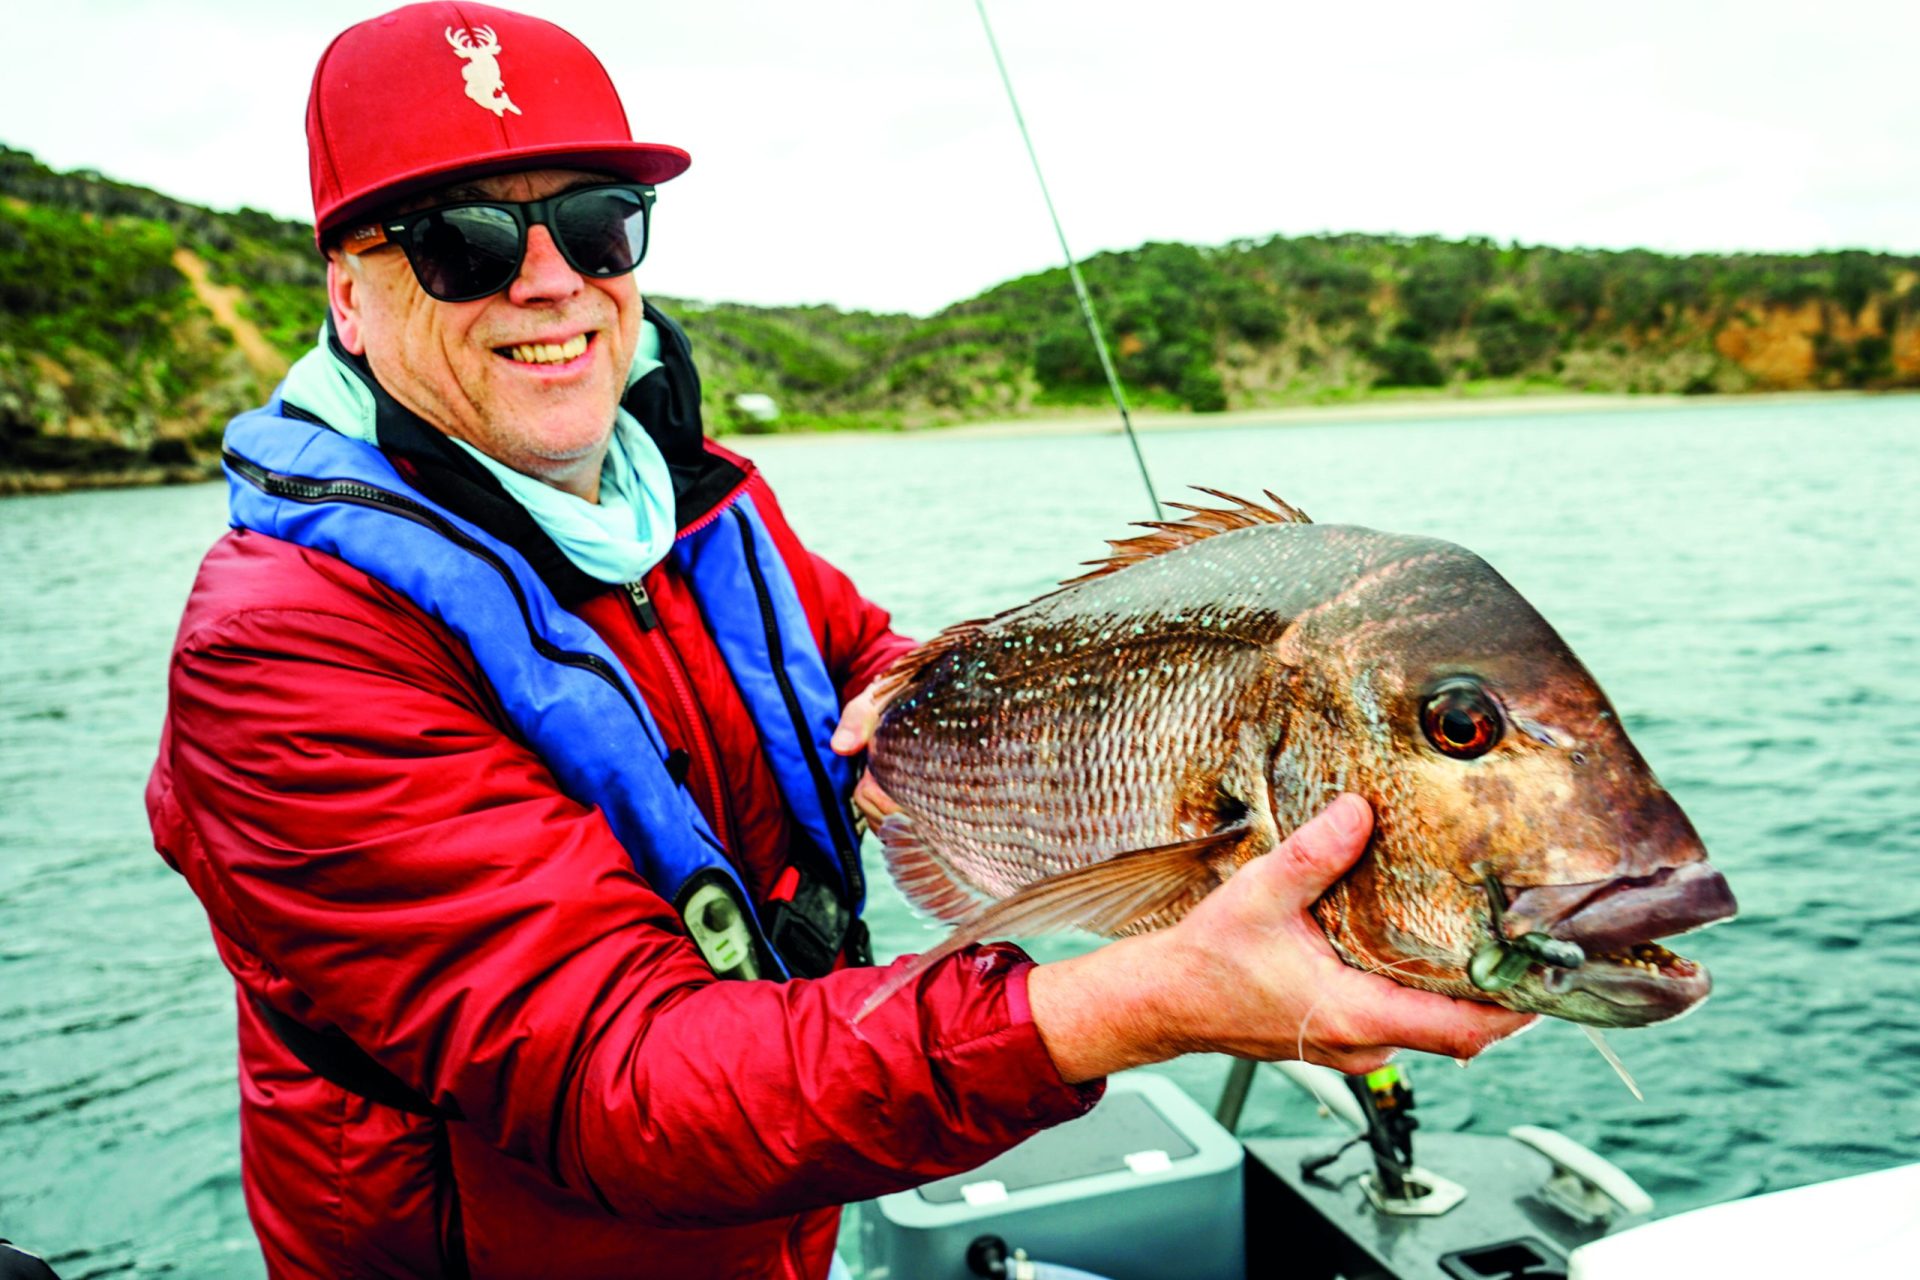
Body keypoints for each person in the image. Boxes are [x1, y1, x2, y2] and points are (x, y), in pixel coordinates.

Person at [146, 4, 1535, 1277]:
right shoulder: (281, 657)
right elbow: (618, 1080)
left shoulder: (688, 496)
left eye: (600, 221)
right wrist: (1140, 999)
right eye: (467, 241)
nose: (553, 282)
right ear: (348, 290)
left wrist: (1178, 769)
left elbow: (865, 664)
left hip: (780, 1216)